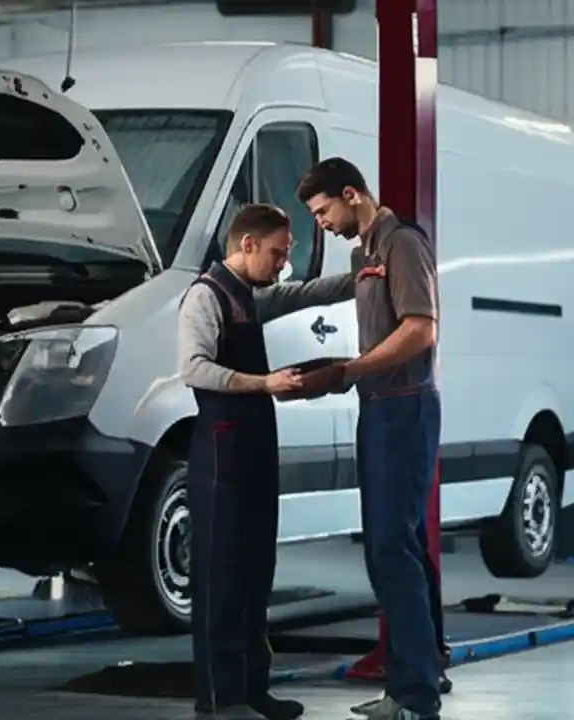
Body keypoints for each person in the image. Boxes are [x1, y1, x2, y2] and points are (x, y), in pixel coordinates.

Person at [178, 202, 355, 720]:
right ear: (247, 244)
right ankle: (219, 698)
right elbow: (193, 369)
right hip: (220, 452)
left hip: (255, 448)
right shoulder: (205, 298)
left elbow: (306, 293)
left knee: (257, 573)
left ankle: (255, 689)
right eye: (278, 253)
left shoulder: (251, 297)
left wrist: (360, 278)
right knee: (220, 576)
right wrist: (264, 384)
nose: (283, 264)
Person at [295, 158, 444, 720]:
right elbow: (319, 294)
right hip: (379, 408)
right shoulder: (366, 254)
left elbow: (419, 328)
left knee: (390, 547)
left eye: (323, 211)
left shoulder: (401, 243)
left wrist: (350, 371)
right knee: (397, 546)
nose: (322, 224)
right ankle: (417, 678)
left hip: (404, 408)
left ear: (351, 194)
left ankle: (416, 696)